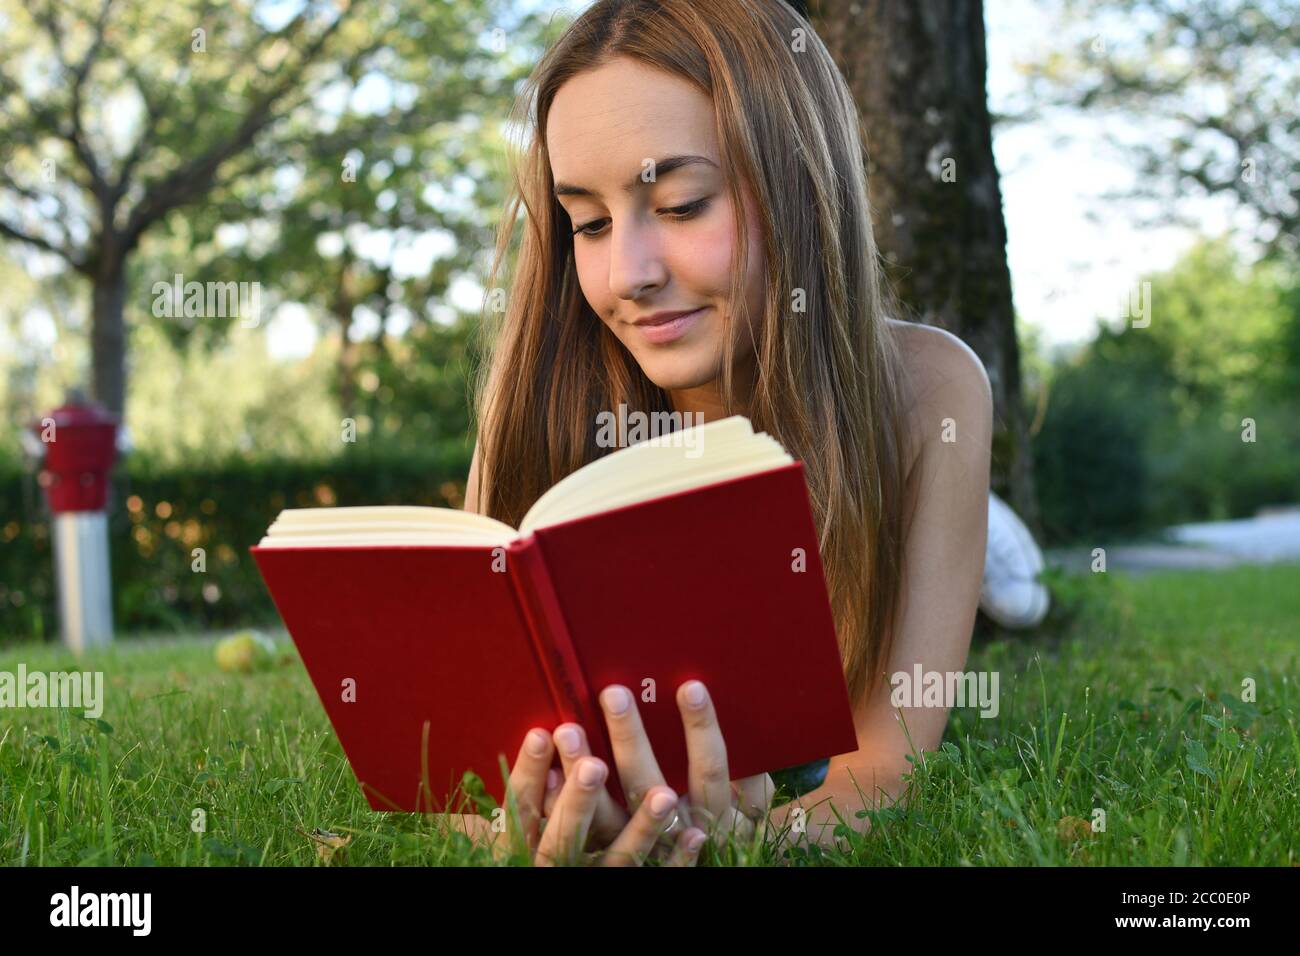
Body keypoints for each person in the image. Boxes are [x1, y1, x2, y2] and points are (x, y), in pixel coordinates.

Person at [444, 0, 993, 866]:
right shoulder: (535, 399)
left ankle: (1007, 566)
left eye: (683, 203)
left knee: (1002, 585)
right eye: (587, 222)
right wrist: (525, 831)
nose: (630, 275)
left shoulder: (931, 395)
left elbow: (882, 768)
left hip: (894, 490)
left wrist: (735, 845)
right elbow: (466, 771)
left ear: (801, 189)